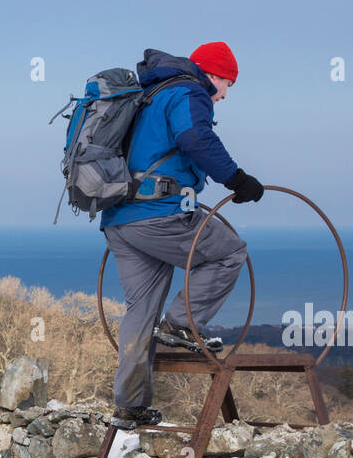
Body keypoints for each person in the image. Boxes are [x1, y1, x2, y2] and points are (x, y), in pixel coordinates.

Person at [99, 42, 263, 426]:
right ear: (212, 74)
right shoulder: (188, 92)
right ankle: (182, 325)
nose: (223, 95)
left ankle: (131, 404)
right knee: (229, 252)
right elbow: (196, 140)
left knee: (140, 311)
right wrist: (238, 180)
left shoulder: (150, 94)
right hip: (159, 215)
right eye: (226, 84)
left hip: (119, 220)